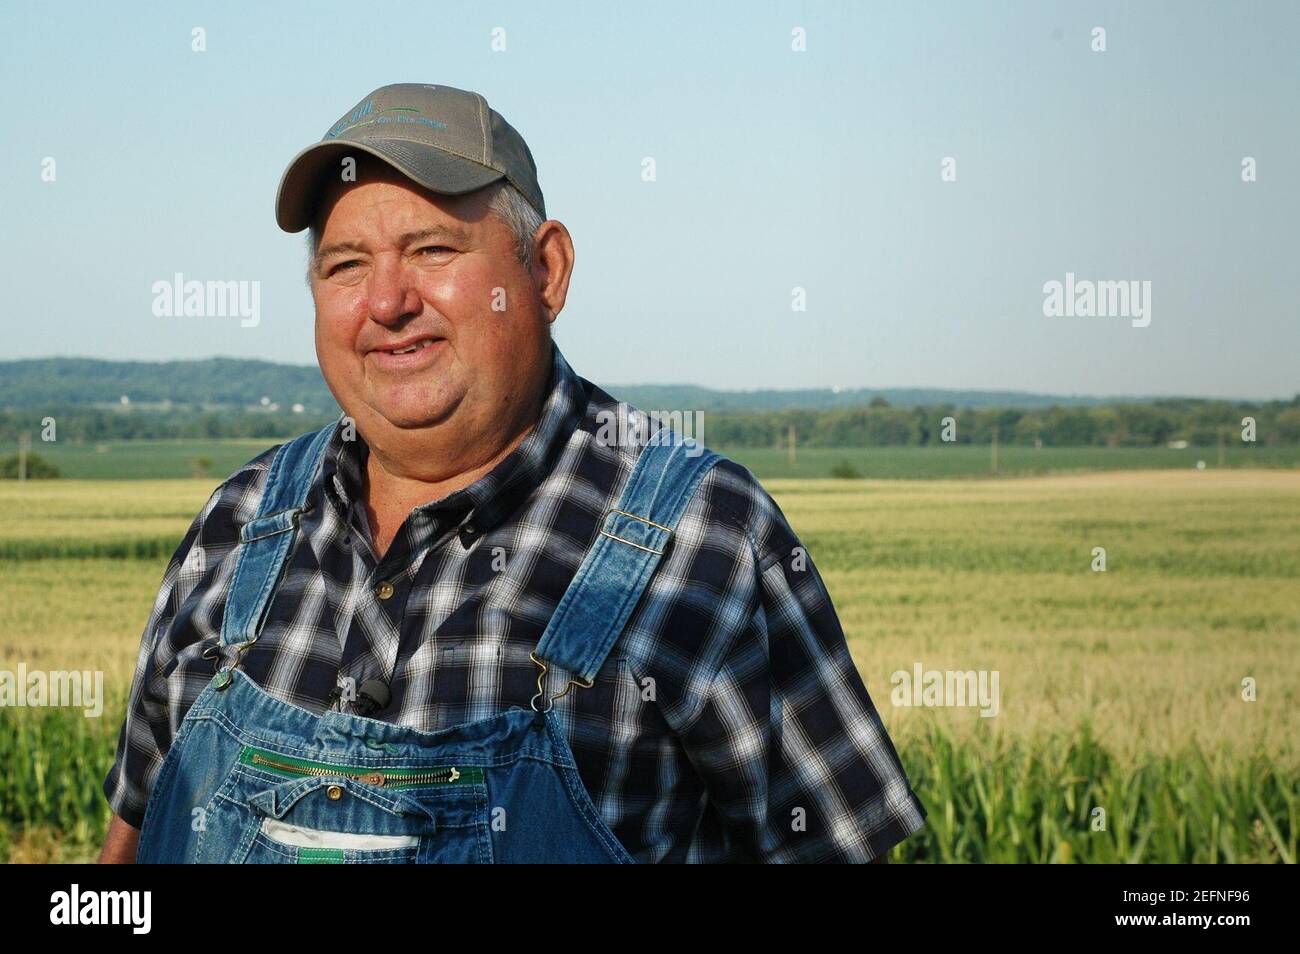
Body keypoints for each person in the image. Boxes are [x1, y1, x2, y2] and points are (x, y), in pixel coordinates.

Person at [99, 83, 926, 863]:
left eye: (431, 249)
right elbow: (130, 843)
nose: (386, 302)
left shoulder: (705, 537)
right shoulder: (238, 525)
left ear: (546, 270)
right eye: (346, 265)